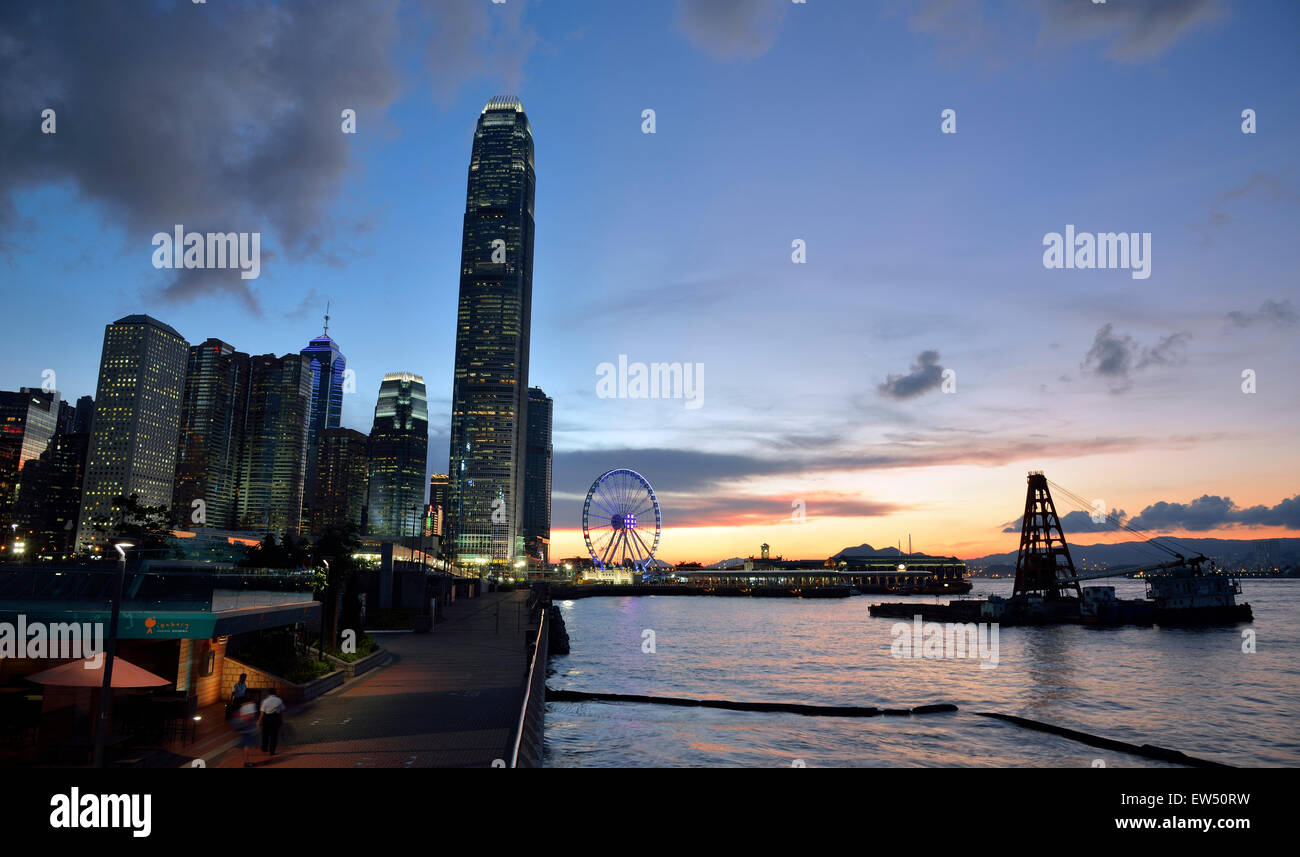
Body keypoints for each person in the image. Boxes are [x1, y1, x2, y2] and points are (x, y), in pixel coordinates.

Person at [259, 688, 285, 756]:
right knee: (274, 735)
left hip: (267, 717)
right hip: (275, 718)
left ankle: (264, 747)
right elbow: (281, 711)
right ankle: (272, 750)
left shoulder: (265, 701)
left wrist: (259, 721)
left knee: (265, 733)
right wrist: (281, 720)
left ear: (268, 693)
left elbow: (262, 712)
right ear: (275, 692)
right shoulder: (279, 700)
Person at [233, 698, 258, 767]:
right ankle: (247, 761)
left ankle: (246, 760)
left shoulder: (242, 707)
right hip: (247, 727)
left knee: (246, 744)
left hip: (242, 727)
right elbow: (252, 716)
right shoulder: (252, 705)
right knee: (247, 745)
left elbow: (240, 715)